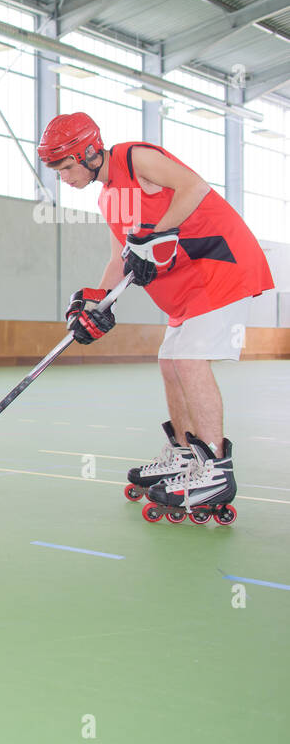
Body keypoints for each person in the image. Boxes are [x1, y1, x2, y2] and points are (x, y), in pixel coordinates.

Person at [37, 111, 274, 520]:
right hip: (186, 290)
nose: (63, 177)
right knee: (169, 363)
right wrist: (96, 303)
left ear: (90, 151)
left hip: (219, 267)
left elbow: (194, 187)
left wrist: (155, 234)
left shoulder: (135, 158)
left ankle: (215, 470)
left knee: (188, 360)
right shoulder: (108, 197)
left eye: (66, 166)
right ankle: (185, 456)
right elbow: (120, 258)